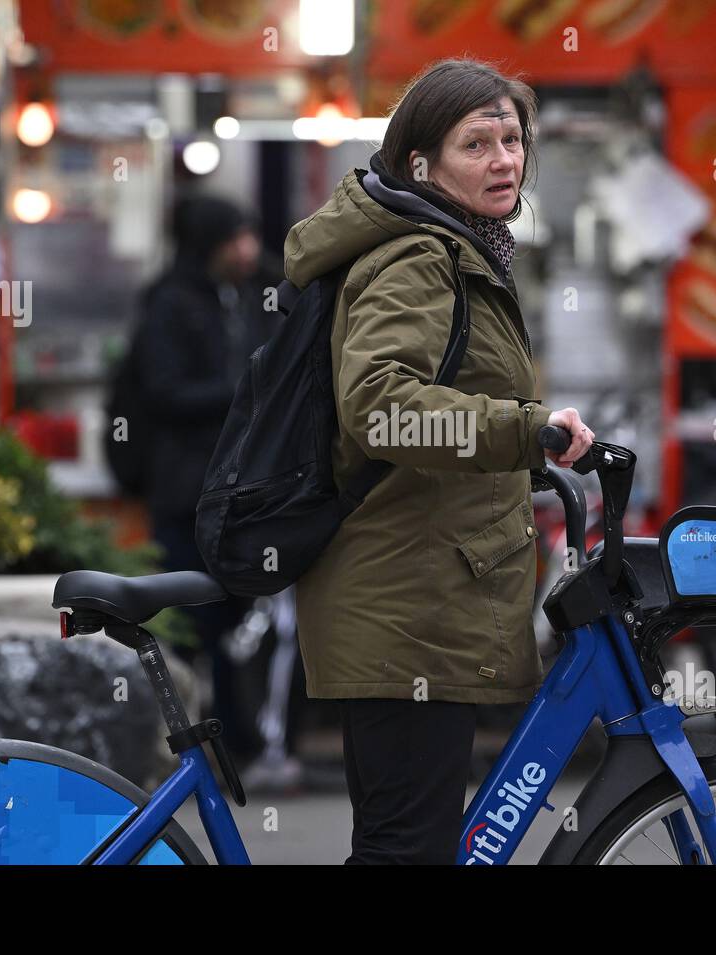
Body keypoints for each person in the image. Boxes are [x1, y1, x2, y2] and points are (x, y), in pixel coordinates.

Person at [283, 58, 593, 864]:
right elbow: (382, 408)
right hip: (406, 605)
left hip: (426, 593)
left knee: (405, 846)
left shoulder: (462, 251)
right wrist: (527, 432)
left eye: (513, 139)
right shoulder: (420, 256)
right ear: (420, 164)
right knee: (406, 850)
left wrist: (526, 462)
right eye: (476, 144)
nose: (505, 160)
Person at [136, 194, 276, 766]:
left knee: (237, 618)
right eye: (233, 240)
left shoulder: (254, 294)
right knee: (196, 623)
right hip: (186, 494)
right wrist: (249, 391)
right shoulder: (169, 304)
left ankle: (242, 739)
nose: (246, 251)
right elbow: (163, 393)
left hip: (241, 494)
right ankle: (210, 745)